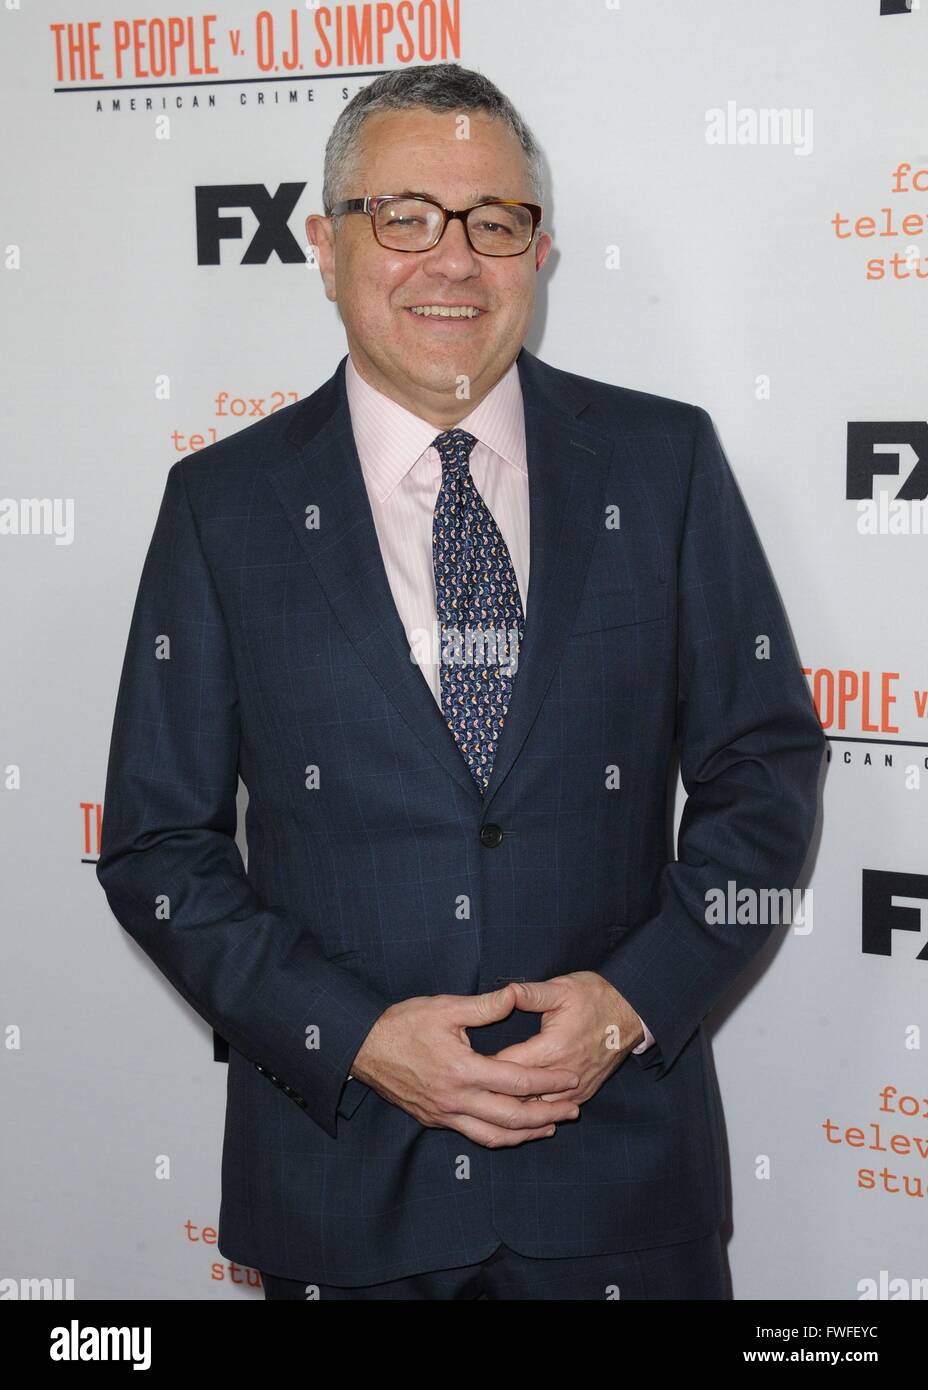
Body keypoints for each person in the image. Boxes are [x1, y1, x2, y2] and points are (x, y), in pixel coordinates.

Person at [96, 62, 826, 1301]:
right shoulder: (221, 507)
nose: (453, 260)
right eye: (407, 217)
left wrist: (627, 1005)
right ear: (326, 247)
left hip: (621, 1194)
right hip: (344, 1191)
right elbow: (158, 847)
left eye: (495, 222)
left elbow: (764, 773)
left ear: (537, 255)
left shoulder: (666, 464)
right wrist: (361, 1040)